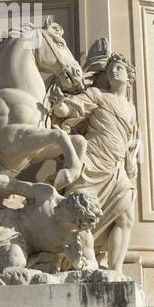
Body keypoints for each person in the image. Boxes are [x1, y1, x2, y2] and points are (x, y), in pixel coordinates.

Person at [49, 39, 139, 272]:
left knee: (126, 217)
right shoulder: (97, 95)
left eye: (118, 68)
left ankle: (116, 270)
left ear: (129, 76)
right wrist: (61, 106)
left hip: (117, 168)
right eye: (109, 69)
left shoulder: (131, 109)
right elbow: (73, 107)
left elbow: (131, 139)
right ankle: (78, 264)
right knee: (78, 219)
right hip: (91, 163)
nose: (112, 72)